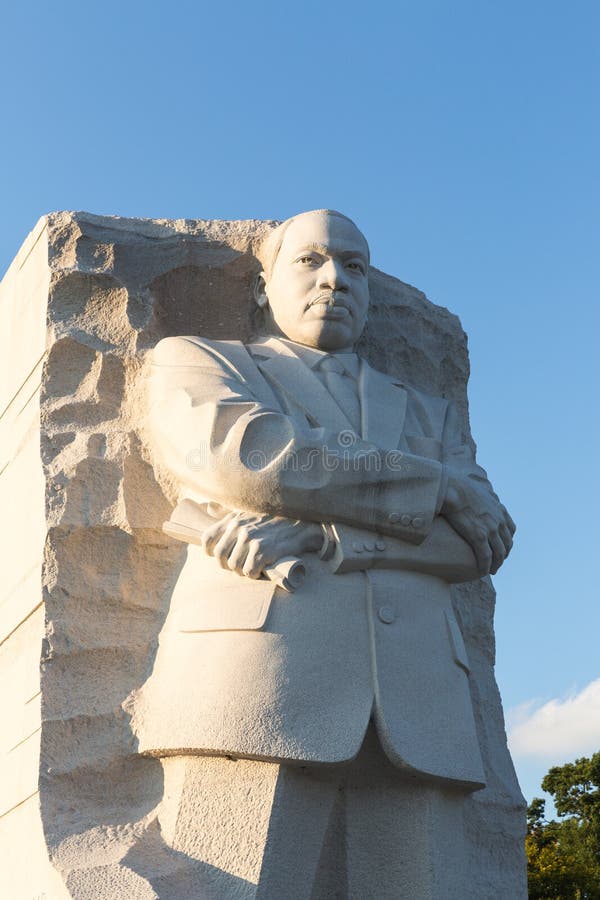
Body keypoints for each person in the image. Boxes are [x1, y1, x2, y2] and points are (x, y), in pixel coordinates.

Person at [132, 209, 515, 898]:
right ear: (263, 286)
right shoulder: (202, 361)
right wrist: (438, 486)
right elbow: (253, 459)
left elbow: (476, 542)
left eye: (355, 267)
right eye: (310, 260)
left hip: (422, 702)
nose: (335, 279)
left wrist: (323, 537)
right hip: (258, 682)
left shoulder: (428, 412)